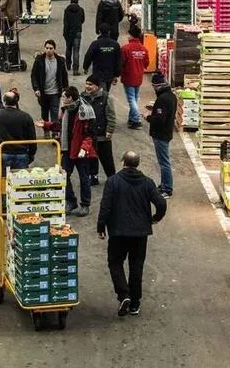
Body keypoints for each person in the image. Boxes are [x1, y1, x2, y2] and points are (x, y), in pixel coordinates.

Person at [97, 151, 167, 317]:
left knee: (115, 262)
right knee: (136, 266)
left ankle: (123, 295)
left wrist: (101, 227)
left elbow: (105, 206)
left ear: (123, 162)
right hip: (140, 232)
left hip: (118, 232)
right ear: (138, 164)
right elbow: (161, 203)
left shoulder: (113, 182)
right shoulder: (147, 183)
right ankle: (135, 303)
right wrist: (155, 218)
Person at [40, 86, 96, 217]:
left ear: (70, 98)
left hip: (81, 151)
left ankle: (85, 205)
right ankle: (71, 202)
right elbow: (60, 126)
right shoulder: (65, 110)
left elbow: (90, 134)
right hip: (67, 149)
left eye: (64, 97)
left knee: (84, 179)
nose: (62, 99)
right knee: (64, 176)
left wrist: (84, 148)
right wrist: (47, 125)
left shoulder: (85, 112)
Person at [145, 72, 178, 199]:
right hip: (166, 132)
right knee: (163, 161)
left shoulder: (162, 99)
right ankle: (164, 184)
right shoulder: (171, 96)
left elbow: (159, 119)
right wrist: (154, 108)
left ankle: (167, 189)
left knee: (164, 162)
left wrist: (148, 117)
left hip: (161, 134)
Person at [82, 75, 117, 185]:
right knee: (91, 158)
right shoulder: (83, 96)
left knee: (106, 158)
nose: (88, 86)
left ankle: (112, 179)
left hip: (102, 135)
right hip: (89, 134)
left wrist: (110, 130)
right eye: (87, 84)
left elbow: (111, 116)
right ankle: (93, 177)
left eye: (90, 84)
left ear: (97, 86)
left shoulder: (106, 97)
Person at [30, 39, 70, 127]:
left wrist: (66, 90)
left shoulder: (60, 61)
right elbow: (34, 76)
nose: (48, 50)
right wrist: (36, 89)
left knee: (54, 114)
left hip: (55, 93)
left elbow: (64, 76)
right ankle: (46, 132)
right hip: (43, 93)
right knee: (44, 114)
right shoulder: (39, 61)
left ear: (54, 49)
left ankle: (55, 134)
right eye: (47, 48)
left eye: (51, 48)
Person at [121, 25, 150, 130]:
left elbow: (121, 63)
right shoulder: (144, 49)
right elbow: (146, 63)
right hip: (139, 77)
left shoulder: (125, 49)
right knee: (134, 98)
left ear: (131, 35)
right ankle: (132, 118)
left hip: (128, 77)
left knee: (131, 99)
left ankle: (136, 119)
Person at [83, 23, 122, 91]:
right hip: (110, 73)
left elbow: (88, 56)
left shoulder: (95, 44)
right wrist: (116, 74)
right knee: (105, 91)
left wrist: (85, 67)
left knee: (102, 93)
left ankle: (103, 100)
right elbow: (118, 60)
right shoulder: (115, 44)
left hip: (98, 73)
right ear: (109, 32)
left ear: (100, 32)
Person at [63, 0, 86, 76]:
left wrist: (65, 33)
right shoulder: (81, 10)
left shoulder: (67, 10)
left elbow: (65, 22)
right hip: (77, 31)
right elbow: (82, 20)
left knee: (68, 48)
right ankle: (75, 69)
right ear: (77, 2)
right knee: (76, 50)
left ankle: (68, 65)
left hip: (69, 32)